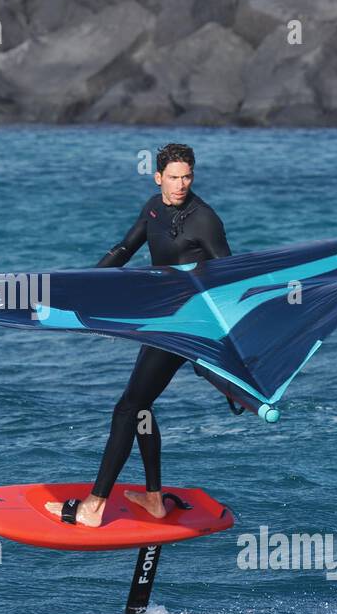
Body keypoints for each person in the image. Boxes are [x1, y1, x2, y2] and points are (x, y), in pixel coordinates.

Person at [45, 143, 232, 528]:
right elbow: (125, 248)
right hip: (161, 322)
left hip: (187, 324)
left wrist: (221, 343)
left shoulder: (205, 220)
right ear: (158, 177)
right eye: (175, 177)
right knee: (141, 405)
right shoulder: (153, 207)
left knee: (127, 408)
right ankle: (153, 498)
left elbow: (229, 279)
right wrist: (84, 285)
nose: (182, 184)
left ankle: (94, 507)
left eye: (188, 177)